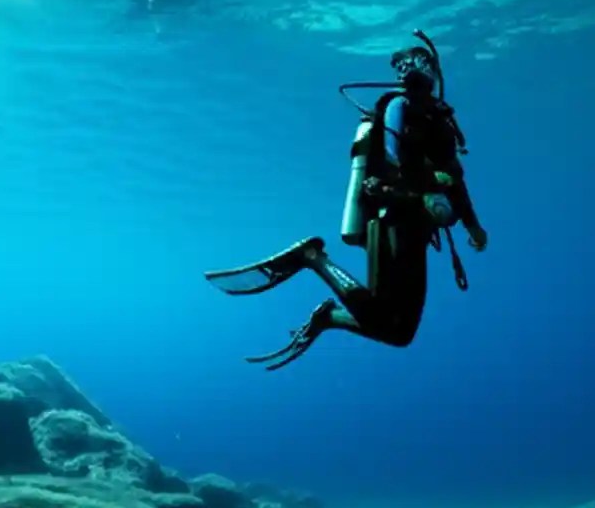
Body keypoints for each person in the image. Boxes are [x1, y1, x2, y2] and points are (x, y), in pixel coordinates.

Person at [203, 30, 489, 370]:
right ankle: (314, 258)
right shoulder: (397, 106)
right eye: (410, 63)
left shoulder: (439, 119)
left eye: (421, 61)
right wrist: (432, 186)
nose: (416, 69)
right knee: (384, 315)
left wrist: (473, 226)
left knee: (401, 333)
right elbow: (392, 160)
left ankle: (329, 317)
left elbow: (454, 178)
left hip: (416, 227)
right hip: (389, 218)